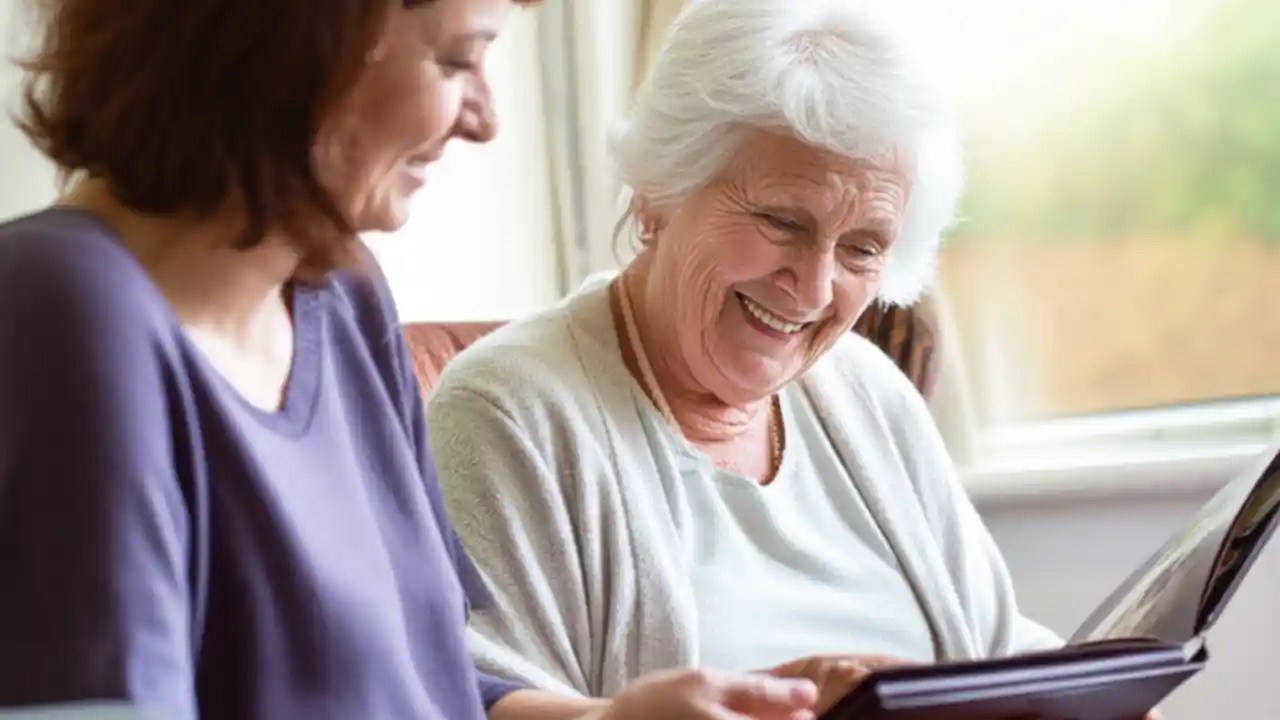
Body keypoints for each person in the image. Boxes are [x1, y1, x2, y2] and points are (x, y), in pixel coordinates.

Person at [0, 0, 821, 718]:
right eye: (458, 58)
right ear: (292, 43)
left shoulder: (341, 294)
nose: (485, 117)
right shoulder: (60, 311)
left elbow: (428, 683)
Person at [427, 0, 1065, 714]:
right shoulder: (508, 411)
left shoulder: (869, 394)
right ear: (659, 194)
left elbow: (998, 644)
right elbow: (456, 698)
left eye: (862, 249)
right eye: (782, 221)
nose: (815, 287)